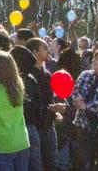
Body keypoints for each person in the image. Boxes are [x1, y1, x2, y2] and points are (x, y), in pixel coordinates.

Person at [27, 38, 64, 171]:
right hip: (35, 127)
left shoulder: (47, 73)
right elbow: (31, 104)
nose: (48, 51)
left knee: (51, 163)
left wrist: (56, 112)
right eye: (44, 48)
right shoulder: (28, 75)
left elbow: (48, 99)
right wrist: (51, 108)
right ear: (35, 51)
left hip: (49, 125)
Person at [11, 45, 48, 171]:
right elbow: (38, 106)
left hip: (17, 127)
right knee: (34, 163)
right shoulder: (32, 78)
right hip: (32, 127)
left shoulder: (12, 82)